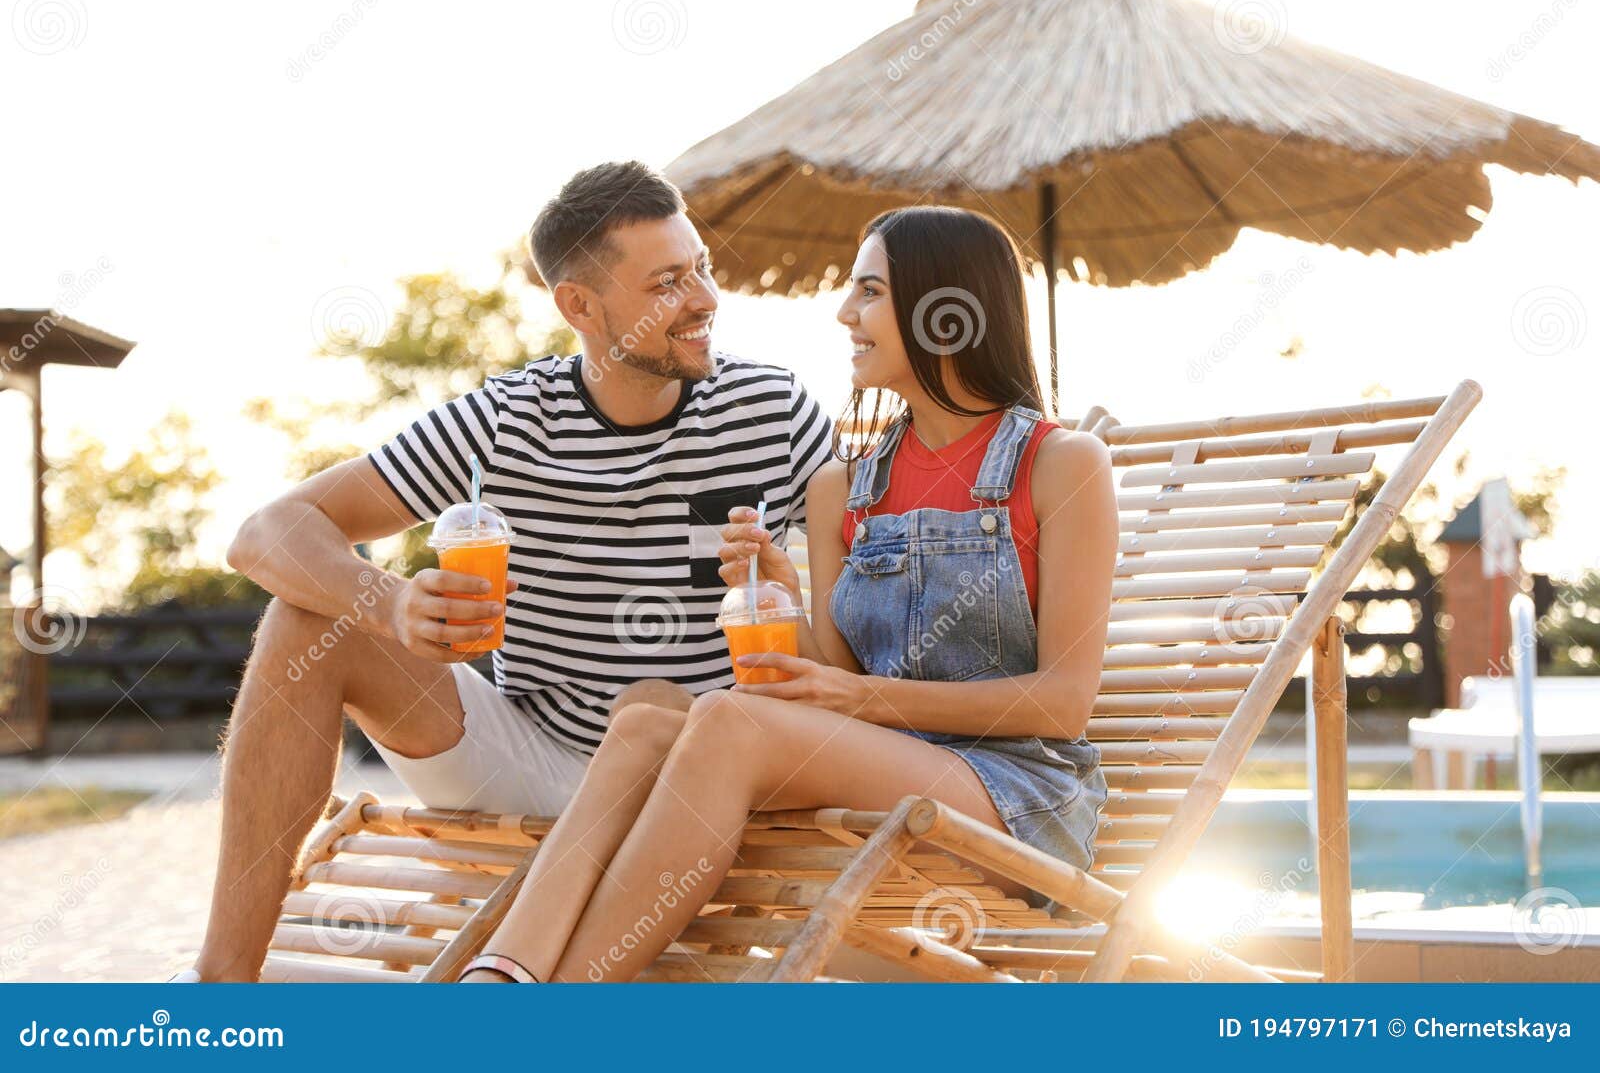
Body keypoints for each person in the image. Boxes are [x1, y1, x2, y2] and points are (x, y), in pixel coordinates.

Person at [178, 161, 833, 982]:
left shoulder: (772, 410)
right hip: (532, 756)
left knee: (658, 703)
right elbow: (264, 533)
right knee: (307, 615)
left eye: (701, 267)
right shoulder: (504, 420)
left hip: (697, 776)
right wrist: (393, 604)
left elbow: (870, 576)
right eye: (667, 282)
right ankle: (221, 983)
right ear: (580, 306)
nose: (704, 298)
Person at [453, 204, 1118, 984]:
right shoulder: (844, 486)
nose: (844, 314)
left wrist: (860, 697)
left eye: (870, 292)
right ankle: (502, 972)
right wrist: (785, 601)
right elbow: (838, 677)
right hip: (890, 769)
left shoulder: (1061, 464)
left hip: (1015, 795)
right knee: (646, 717)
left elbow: (1062, 703)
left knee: (728, 718)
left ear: (945, 310)